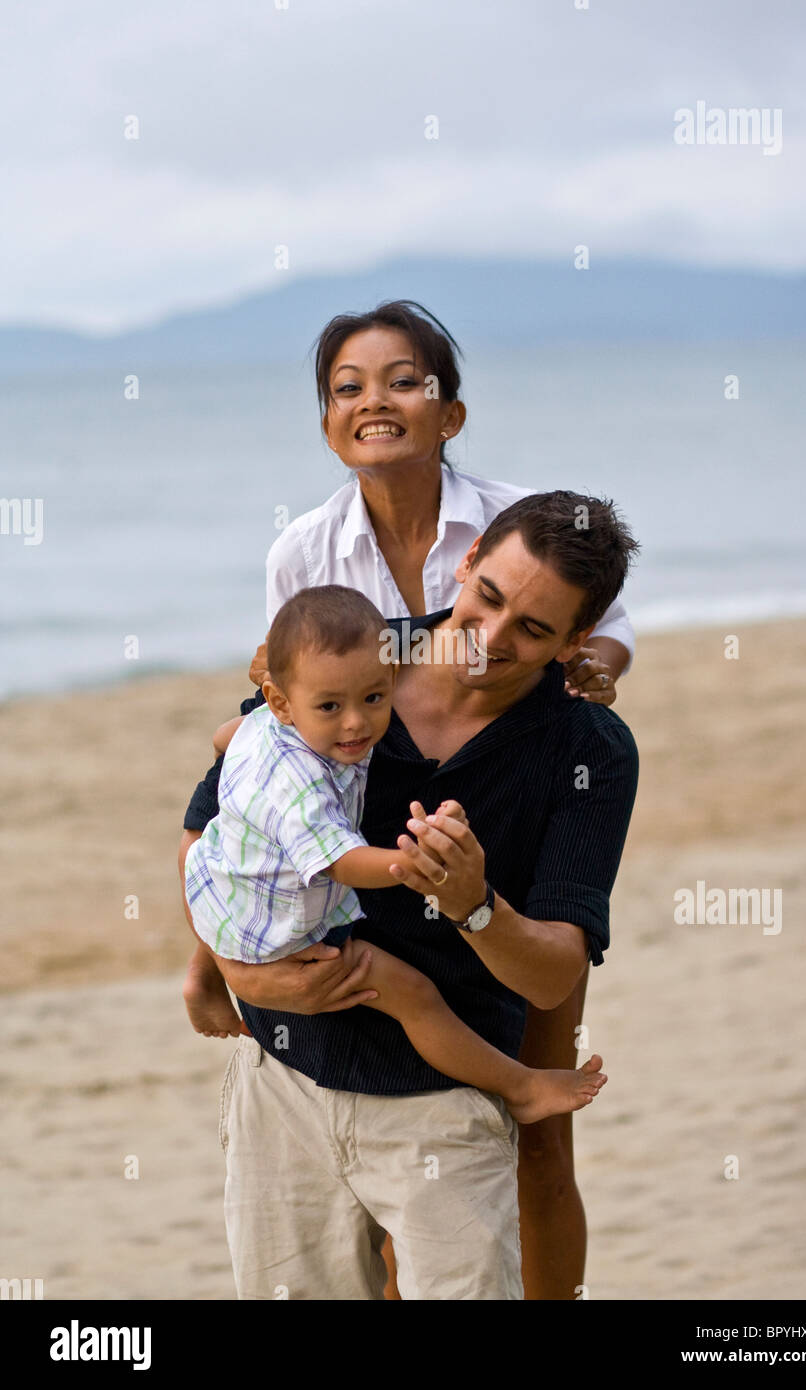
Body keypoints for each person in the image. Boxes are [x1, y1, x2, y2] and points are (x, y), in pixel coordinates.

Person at [181, 299, 635, 1298]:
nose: (489, 636)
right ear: (465, 563)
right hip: (287, 1068)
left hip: (443, 1092)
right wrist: (223, 960)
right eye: (485, 598)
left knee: (538, 1149)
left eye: (531, 628)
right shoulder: (355, 650)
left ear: (572, 644)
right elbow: (222, 805)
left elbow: (554, 971)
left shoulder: (587, 750)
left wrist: (471, 898)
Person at [184, 583, 608, 1125]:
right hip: (276, 930)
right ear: (280, 701)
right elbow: (341, 862)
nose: (356, 723)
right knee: (413, 995)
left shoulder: (263, 727)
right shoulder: (303, 784)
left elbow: (224, 737)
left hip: (221, 891)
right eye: (331, 706)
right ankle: (519, 1086)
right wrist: (410, 865)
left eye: (374, 699)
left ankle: (209, 979)